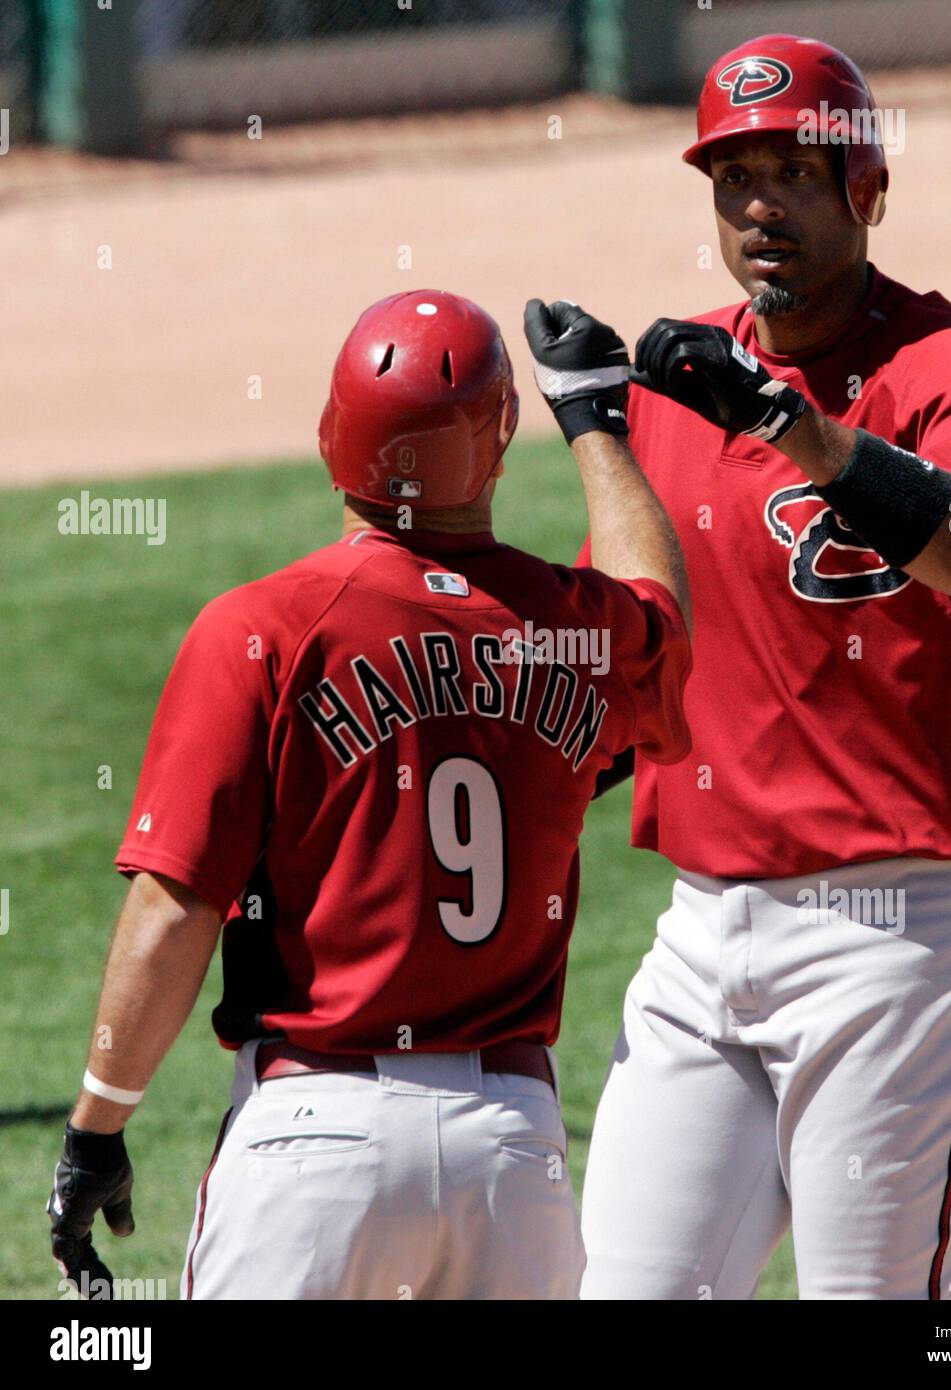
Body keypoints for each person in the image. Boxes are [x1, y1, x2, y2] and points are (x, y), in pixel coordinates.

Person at [47, 289, 691, 1301]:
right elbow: (658, 604)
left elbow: (175, 904)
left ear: (328, 433)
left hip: (315, 1146)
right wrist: (595, 421)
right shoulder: (573, 631)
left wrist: (98, 1123)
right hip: (510, 1159)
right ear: (500, 439)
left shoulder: (259, 628)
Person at [577, 34, 951, 1300]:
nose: (756, 206)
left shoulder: (950, 372)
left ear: (865, 189)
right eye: (731, 176)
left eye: (791, 173)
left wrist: (798, 432)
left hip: (902, 933)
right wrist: (594, 429)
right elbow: (619, 657)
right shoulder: (674, 376)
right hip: (700, 934)